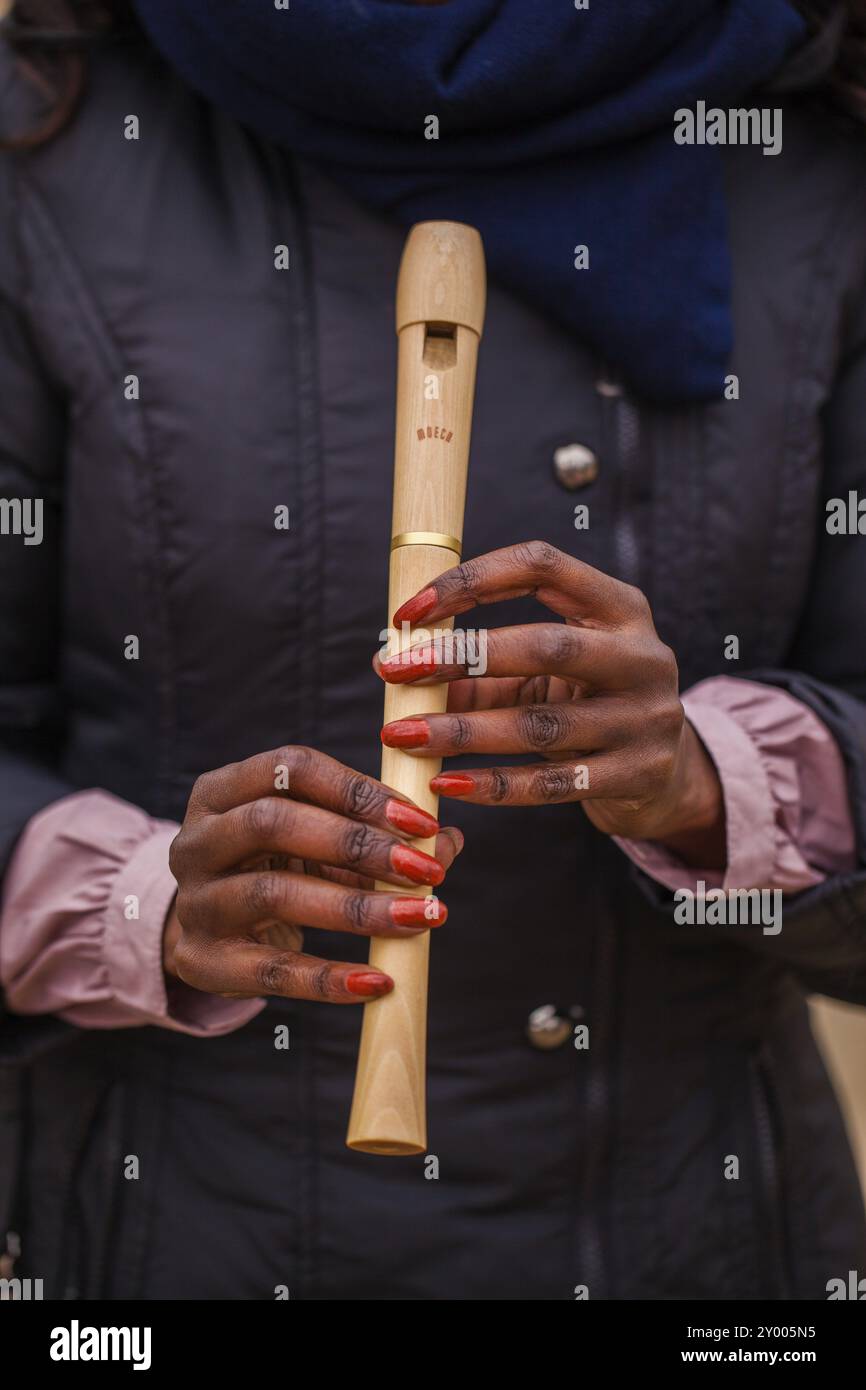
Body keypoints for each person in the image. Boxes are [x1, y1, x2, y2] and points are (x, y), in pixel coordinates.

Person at [1, 0, 865, 1301]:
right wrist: (146, 905)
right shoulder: (54, 130)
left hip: (708, 1260)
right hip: (169, 1252)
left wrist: (706, 782)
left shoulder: (819, 137)